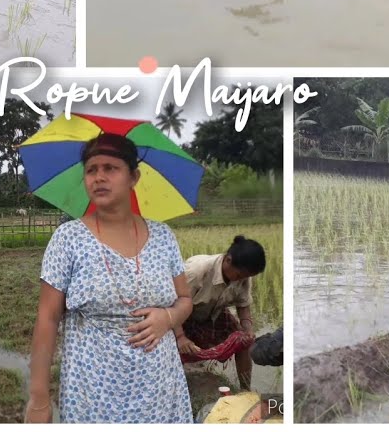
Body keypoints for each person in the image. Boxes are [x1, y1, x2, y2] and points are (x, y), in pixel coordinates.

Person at [26, 133, 194, 423]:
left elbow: (185, 299)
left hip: (160, 390)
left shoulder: (164, 237)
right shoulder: (68, 239)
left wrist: (168, 318)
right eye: (91, 170)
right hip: (92, 393)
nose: (99, 177)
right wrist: (39, 397)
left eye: (110, 168)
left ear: (134, 177)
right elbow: (47, 318)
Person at [176, 235, 266, 390]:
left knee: (245, 341)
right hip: (181, 314)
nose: (241, 280)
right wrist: (181, 337)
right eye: (239, 275)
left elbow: (243, 305)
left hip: (212, 313)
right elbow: (174, 305)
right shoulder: (196, 271)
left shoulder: (243, 276)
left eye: (246, 277)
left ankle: (245, 390)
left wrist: (248, 328)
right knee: (175, 349)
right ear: (228, 260)